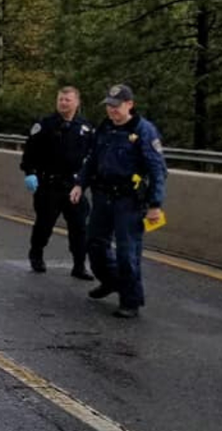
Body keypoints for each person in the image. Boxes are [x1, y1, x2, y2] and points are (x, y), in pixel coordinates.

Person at [70, 84, 168, 319]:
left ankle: (130, 301)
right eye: (109, 106)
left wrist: (155, 204)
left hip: (129, 200)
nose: (112, 110)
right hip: (103, 196)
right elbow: (92, 160)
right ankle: (111, 281)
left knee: (127, 252)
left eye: (116, 106)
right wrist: (80, 183)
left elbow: (158, 170)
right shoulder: (105, 128)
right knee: (94, 245)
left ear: (129, 105)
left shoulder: (143, 131)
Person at [20, 86, 94, 279]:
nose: (63, 103)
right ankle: (36, 254)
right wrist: (30, 173)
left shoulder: (85, 128)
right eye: (60, 99)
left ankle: (79, 265)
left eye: (67, 100)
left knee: (79, 227)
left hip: (73, 186)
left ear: (77, 102)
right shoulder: (45, 125)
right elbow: (29, 153)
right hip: (49, 185)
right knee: (44, 224)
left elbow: (92, 157)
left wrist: (85, 180)